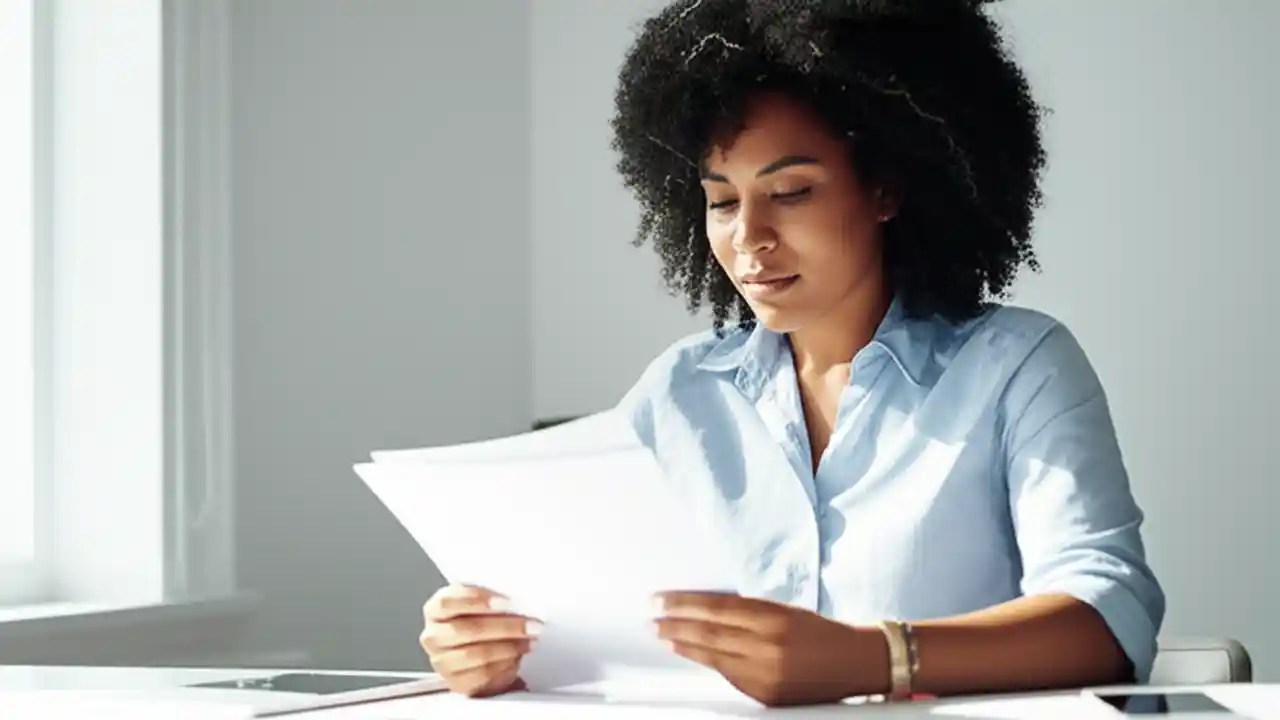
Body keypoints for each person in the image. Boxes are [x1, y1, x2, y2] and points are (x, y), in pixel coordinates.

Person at [418, 0, 1165, 706]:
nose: (749, 237)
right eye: (721, 200)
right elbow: (594, 623)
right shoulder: (679, 393)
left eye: (792, 191)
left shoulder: (1018, 367)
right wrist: (493, 647)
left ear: (885, 188)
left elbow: (1107, 619)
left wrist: (872, 658)